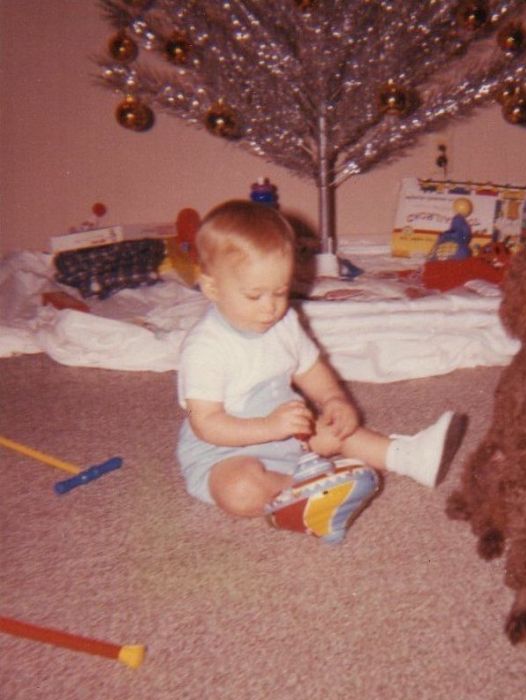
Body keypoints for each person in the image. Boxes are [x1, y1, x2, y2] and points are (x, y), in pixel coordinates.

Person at [177, 199, 462, 525]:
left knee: (341, 429)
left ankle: (408, 456)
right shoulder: (205, 347)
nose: (270, 307)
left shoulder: (282, 324)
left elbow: (309, 367)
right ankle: (306, 493)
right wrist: (268, 427)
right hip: (224, 453)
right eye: (255, 295)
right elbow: (207, 423)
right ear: (212, 287)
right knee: (239, 490)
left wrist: (333, 399)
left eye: (281, 292)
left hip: (290, 436)